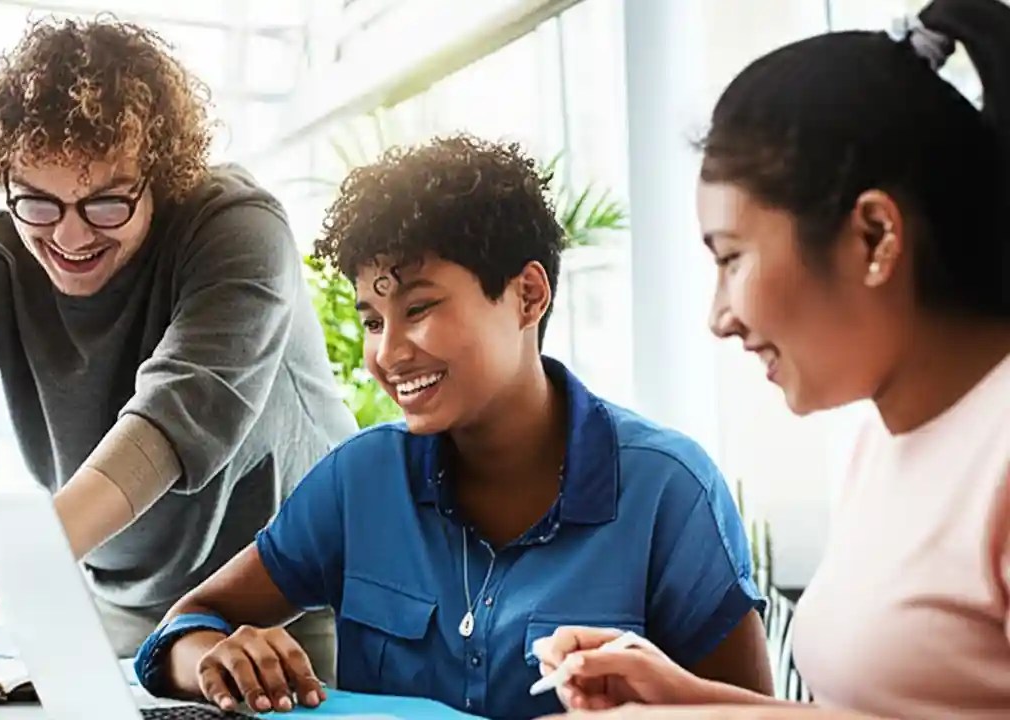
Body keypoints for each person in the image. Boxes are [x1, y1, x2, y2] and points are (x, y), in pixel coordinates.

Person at [130, 134, 773, 719]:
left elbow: (749, 715)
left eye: (420, 308)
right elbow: (182, 628)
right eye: (373, 320)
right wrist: (213, 660)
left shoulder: (668, 490)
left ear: (528, 295)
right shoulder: (361, 481)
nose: (387, 353)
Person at [0, 16, 357, 667]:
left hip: (290, 602)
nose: (71, 239)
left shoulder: (236, 230)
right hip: (127, 604)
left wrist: (20, 560)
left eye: (107, 204)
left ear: (159, 176)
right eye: (39, 204)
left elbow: (173, 421)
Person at [536, 0, 1010, 718]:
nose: (719, 317)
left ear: (876, 237)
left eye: (731, 258)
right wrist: (690, 701)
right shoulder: (882, 443)